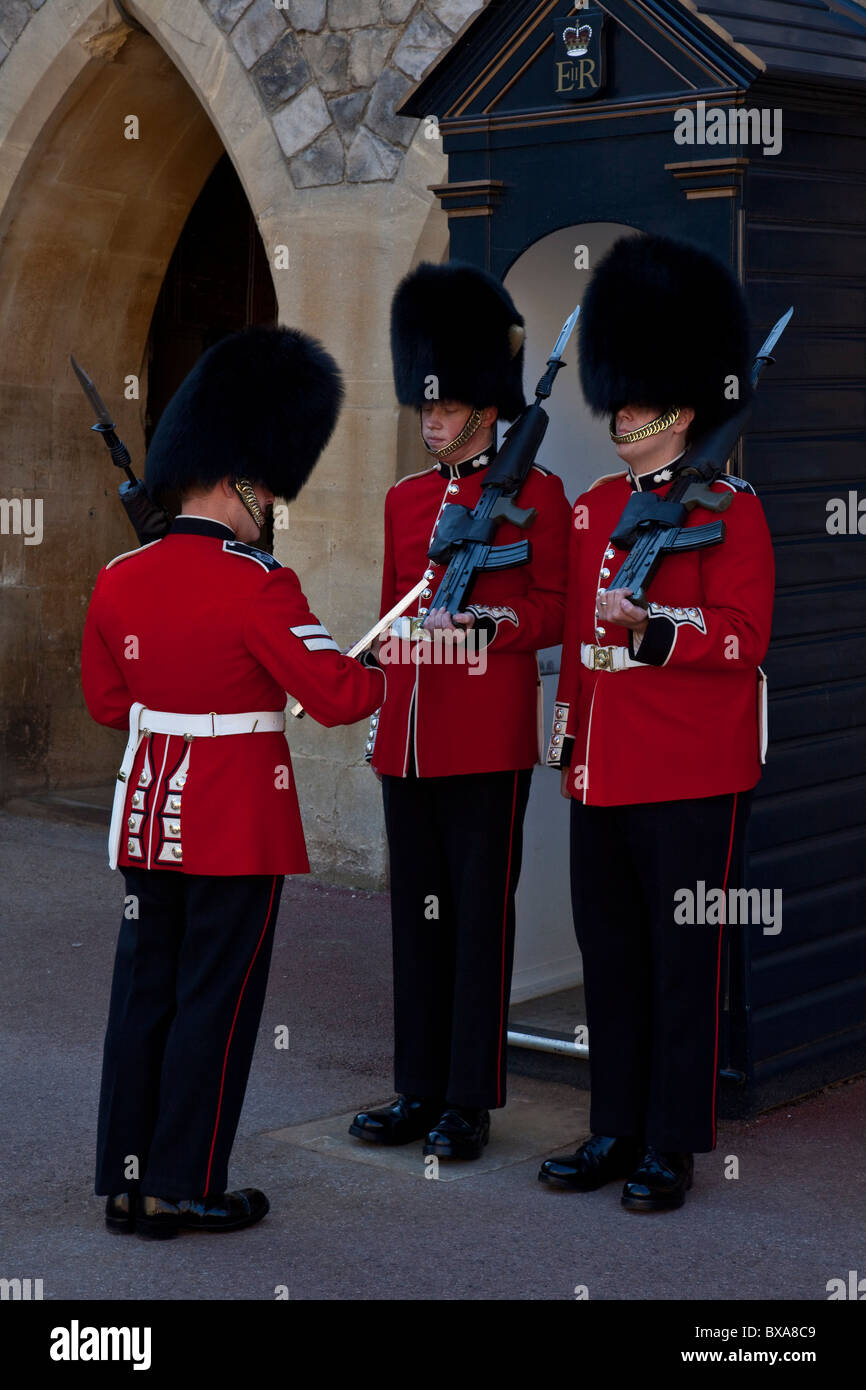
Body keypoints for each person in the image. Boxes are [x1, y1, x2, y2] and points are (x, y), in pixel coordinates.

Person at [81, 326, 384, 1238]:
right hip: (233, 821)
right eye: (265, 491)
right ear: (236, 480)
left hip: (147, 816)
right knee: (215, 1002)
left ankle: (129, 1185)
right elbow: (336, 696)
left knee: (145, 997)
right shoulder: (260, 583)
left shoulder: (119, 577)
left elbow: (108, 702)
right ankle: (189, 1184)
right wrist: (389, 666)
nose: (271, 507)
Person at [539, 233, 775, 1210]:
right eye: (618, 395)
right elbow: (570, 638)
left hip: (688, 774)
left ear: (682, 409)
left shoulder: (730, 508)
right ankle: (613, 1125)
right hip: (601, 769)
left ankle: (669, 1144)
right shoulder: (595, 508)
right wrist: (566, 741)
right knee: (612, 956)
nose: (620, 411)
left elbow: (741, 637)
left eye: (636, 400)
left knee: (684, 964)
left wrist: (652, 633)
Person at [349, 261, 571, 1159]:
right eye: (425, 410)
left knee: (479, 919)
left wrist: (490, 624)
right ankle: (418, 1086)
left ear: (485, 406)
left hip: (484, 740)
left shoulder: (539, 496)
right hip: (408, 739)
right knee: (420, 917)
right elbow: (396, 611)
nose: (431, 422)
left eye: (443, 410)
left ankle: (468, 1099)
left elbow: (556, 608)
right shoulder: (407, 500)